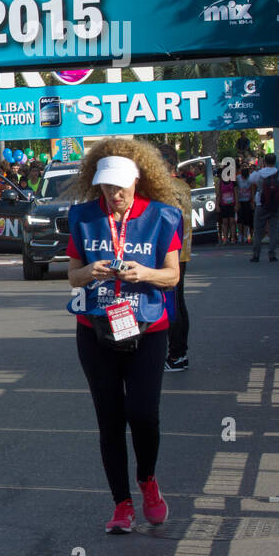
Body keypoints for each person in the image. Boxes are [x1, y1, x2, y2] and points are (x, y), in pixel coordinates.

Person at [66, 140, 183, 534]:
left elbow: (172, 276)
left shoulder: (163, 217)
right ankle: (121, 505)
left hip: (149, 327)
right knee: (110, 420)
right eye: (106, 188)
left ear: (137, 181)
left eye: (120, 188)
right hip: (95, 328)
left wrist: (143, 273)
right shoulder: (82, 217)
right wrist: (91, 270)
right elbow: (72, 276)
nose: (113, 195)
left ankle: (148, 481)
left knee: (143, 413)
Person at [157, 145, 194, 373]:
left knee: (172, 306)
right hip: (183, 252)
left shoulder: (165, 188)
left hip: (169, 252)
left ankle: (176, 354)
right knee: (179, 302)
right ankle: (179, 353)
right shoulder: (183, 186)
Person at [244, 152, 279, 262]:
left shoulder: (259, 173)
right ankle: (272, 254)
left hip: (261, 203)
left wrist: (258, 168)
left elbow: (249, 180)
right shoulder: (278, 173)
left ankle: (256, 254)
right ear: (275, 161)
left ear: (264, 161)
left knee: (258, 231)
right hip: (275, 205)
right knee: (274, 230)